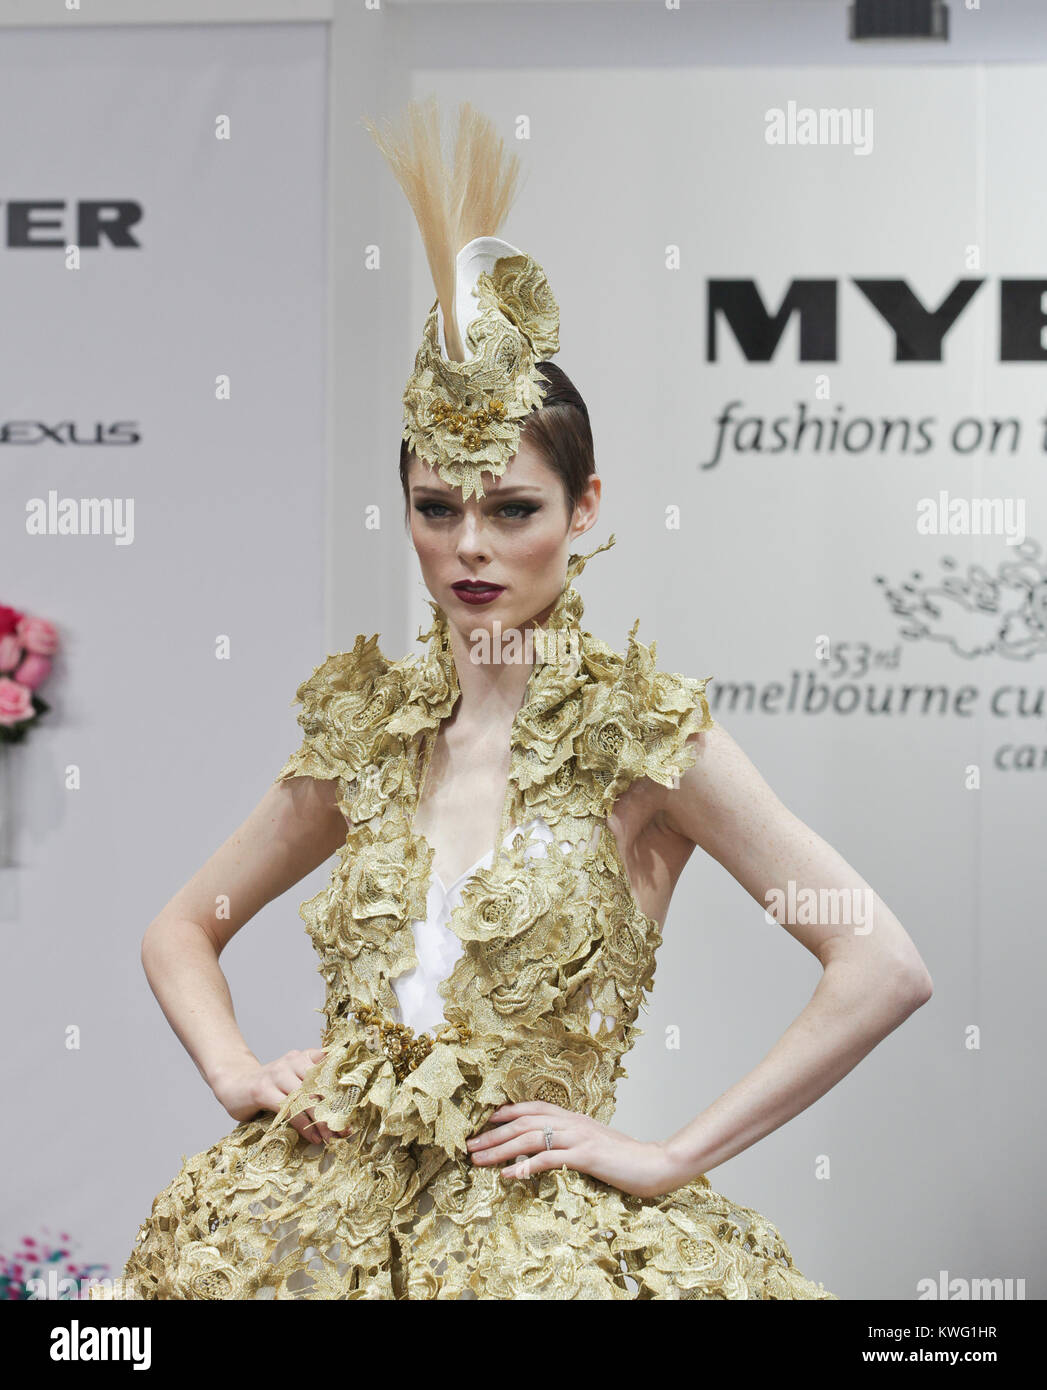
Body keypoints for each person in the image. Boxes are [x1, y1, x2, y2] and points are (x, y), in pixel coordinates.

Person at [91, 100, 931, 1301]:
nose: (471, 546)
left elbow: (882, 963)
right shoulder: (370, 734)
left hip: (543, 1254)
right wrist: (236, 1070)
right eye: (439, 508)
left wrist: (669, 1156)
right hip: (309, 1237)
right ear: (410, 514)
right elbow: (180, 927)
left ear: (585, 509)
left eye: (513, 508)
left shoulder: (644, 744)